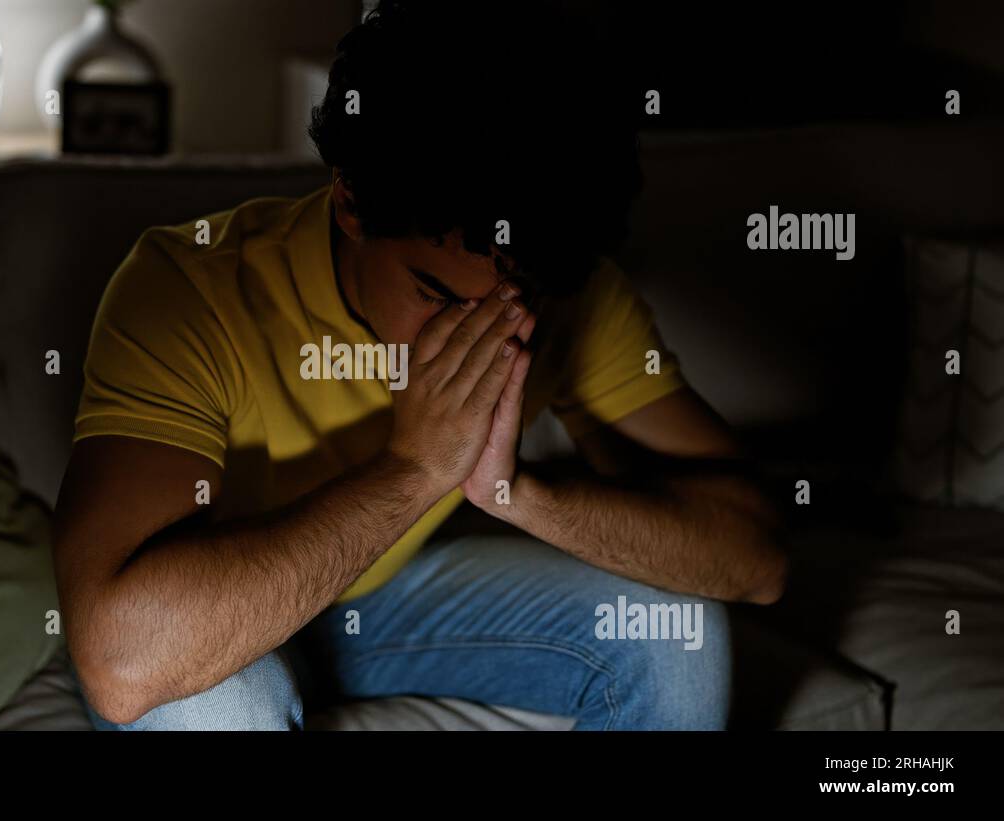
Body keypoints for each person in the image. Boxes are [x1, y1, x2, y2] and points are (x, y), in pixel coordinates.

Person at [51, 0, 785, 731]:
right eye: (435, 294)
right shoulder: (188, 288)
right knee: (216, 707)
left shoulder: (567, 296)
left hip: (391, 601)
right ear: (351, 202)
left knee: (670, 632)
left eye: (514, 302)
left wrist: (515, 492)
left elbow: (757, 558)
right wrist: (413, 471)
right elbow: (124, 661)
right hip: (215, 612)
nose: (478, 340)